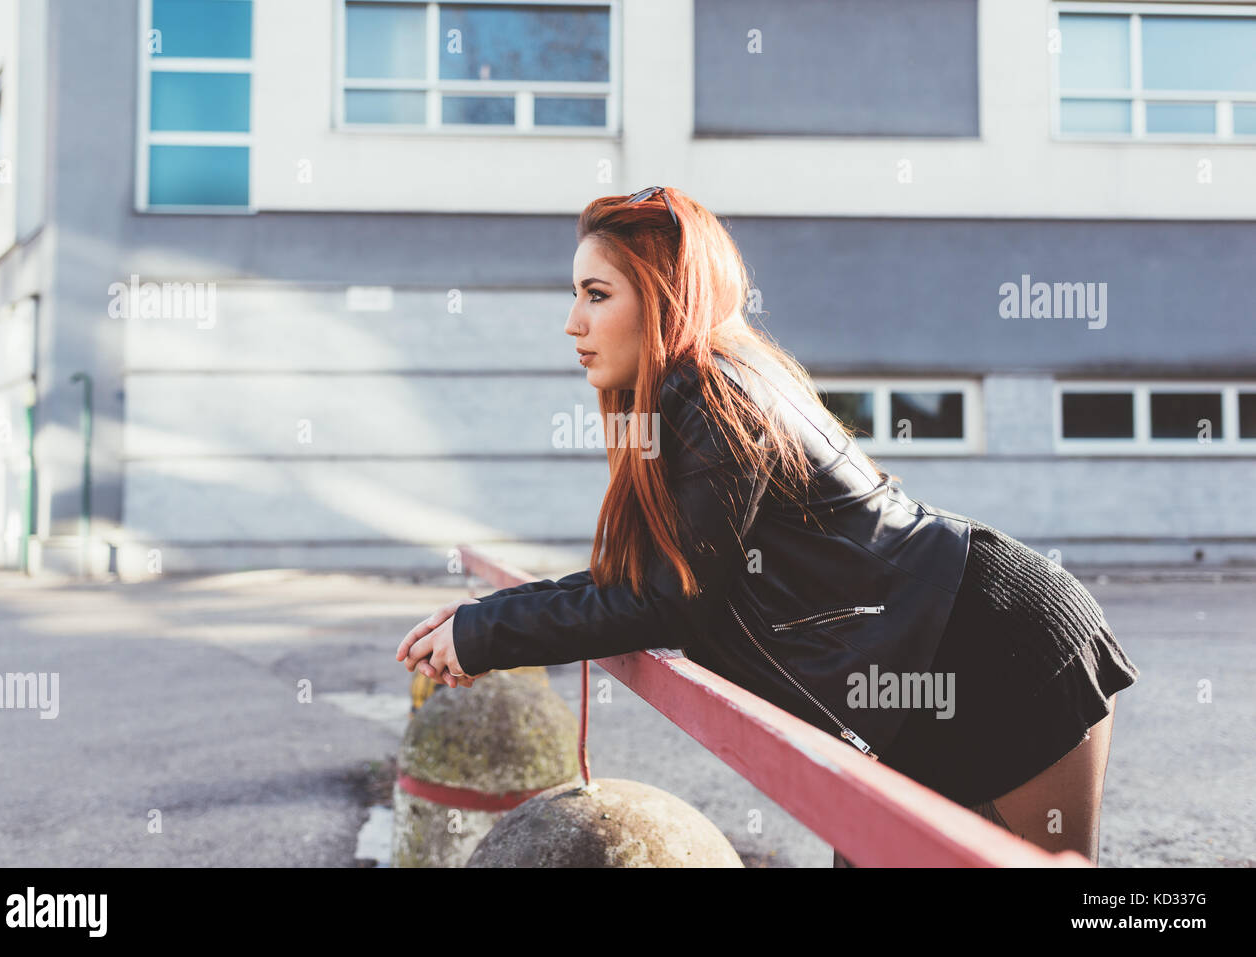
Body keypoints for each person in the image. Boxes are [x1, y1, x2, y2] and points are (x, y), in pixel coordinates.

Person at [396, 186, 1140, 866]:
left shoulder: (709, 389)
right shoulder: (693, 392)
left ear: (661, 298)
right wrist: (483, 619)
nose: (573, 322)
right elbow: (653, 580)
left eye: (597, 294)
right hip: (912, 690)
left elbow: (665, 601)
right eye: (575, 294)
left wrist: (485, 634)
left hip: (997, 645)